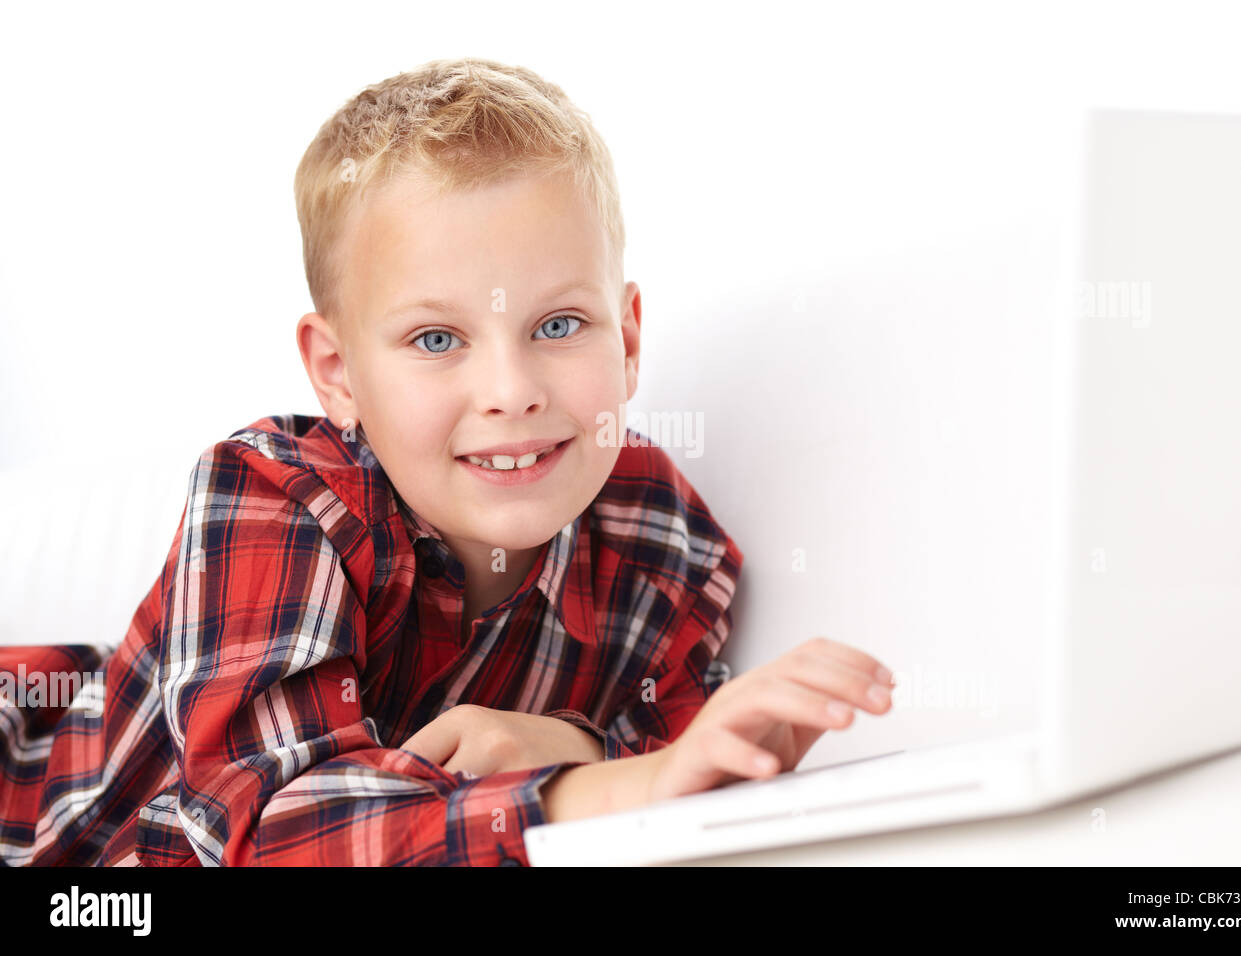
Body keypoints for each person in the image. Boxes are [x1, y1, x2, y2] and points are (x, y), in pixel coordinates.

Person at [0, 57, 893, 866]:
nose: (511, 391)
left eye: (558, 325)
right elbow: (267, 828)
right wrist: (600, 791)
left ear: (625, 339)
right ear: (339, 375)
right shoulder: (276, 493)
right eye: (437, 338)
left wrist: (577, 749)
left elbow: (678, 750)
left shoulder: (657, 538)